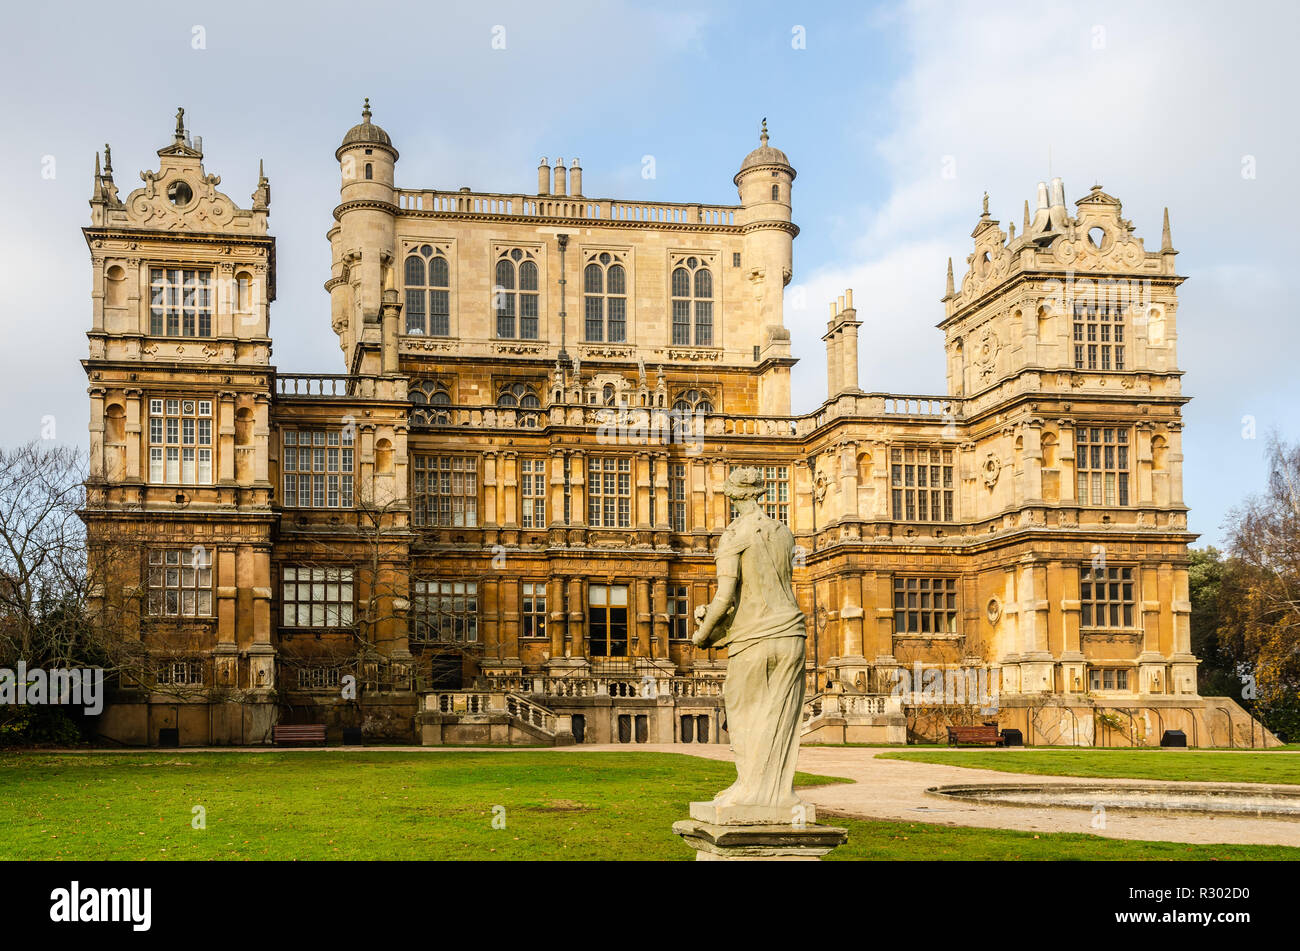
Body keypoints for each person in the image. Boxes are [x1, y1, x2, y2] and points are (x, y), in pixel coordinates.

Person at [692, 467, 808, 812]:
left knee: (743, 714)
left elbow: (726, 596)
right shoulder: (784, 532)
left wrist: (702, 633)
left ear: (731, 494)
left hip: (755, 638)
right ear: (760, 492)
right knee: (777, 716)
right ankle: (774, 792)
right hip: (791, 632)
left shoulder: (733, 536)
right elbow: (768, 586)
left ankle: (751, 788)